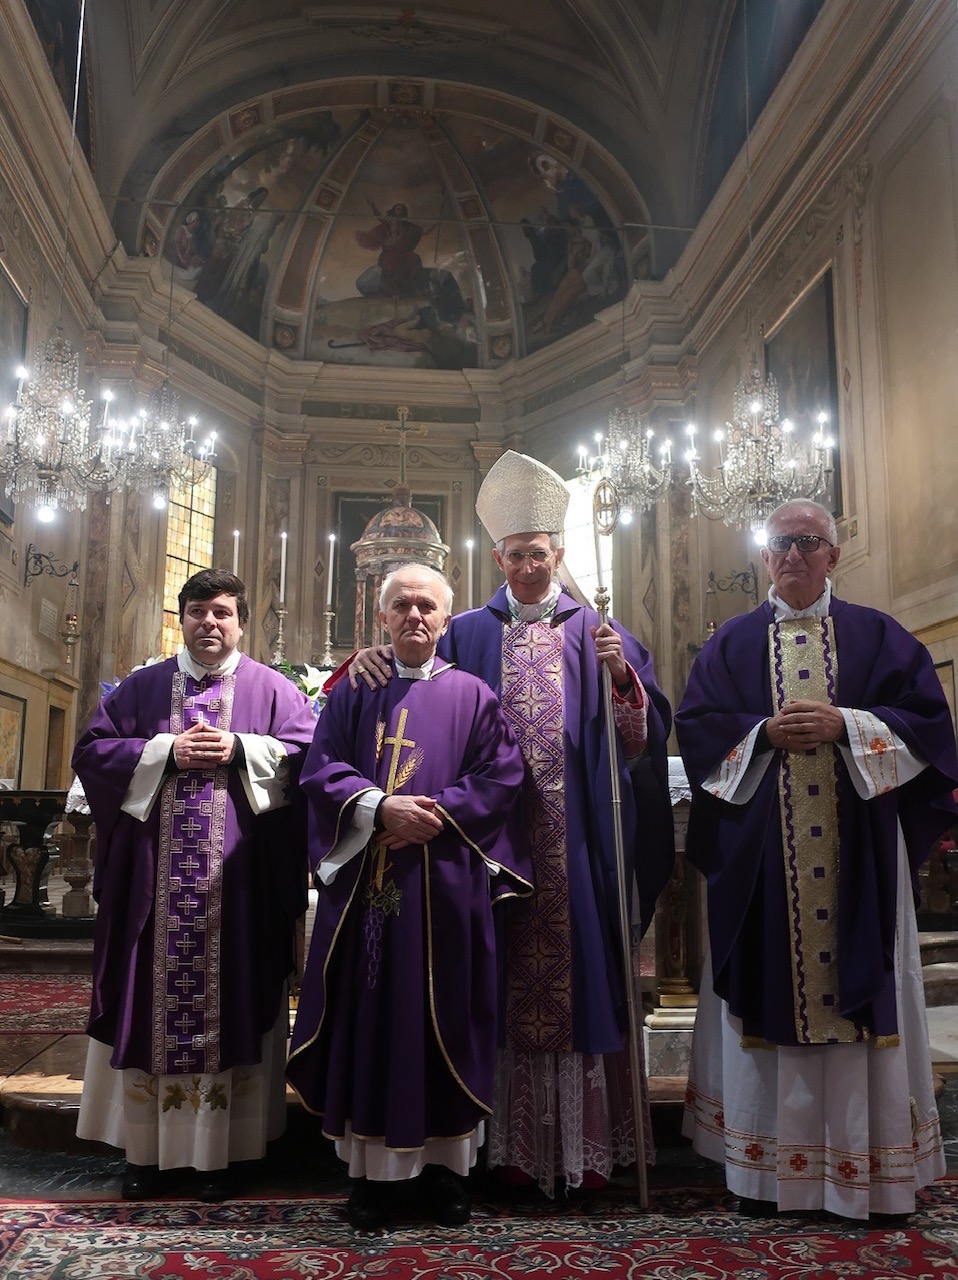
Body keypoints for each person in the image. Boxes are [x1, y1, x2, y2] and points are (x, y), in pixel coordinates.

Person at [346, 450, 675, 1197]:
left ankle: (584, 1153)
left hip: (577, 836)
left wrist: (623, 677)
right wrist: (371, 656)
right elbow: (411, 671)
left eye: (539, 554)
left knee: (579, 976)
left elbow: (639, 742)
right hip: (480, 841)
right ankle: (507, 1152)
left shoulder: (597, 631)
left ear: (557, 554)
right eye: (514, 555)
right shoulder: (463, 631)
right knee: (484, 981)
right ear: (495, 557)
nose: (527, 567)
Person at [676, 499, 958, 1220]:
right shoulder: (731, 644)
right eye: (780, 544)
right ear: (763, 558)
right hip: (764, 863)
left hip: (861, 854)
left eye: (809, 542)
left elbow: (930, 728)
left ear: (834, 554)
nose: (793, 555)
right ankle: (768, 1176)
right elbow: (701, 731)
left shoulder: (881, 636)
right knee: (769, 992)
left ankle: (876, 1172)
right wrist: (763, 733)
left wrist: (850, 725)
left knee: (866, 995)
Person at [287, 565, 533, 1231]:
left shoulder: (475, 697)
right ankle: (372, 1182)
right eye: (402, 606)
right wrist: (376, 806)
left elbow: (502, 776)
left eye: (427, 606)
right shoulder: (351, 693)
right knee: (370, 1017)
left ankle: (447, 1176)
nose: (415, 616)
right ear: (382, 616)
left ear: (447, 620)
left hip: (446, 889)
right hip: (368, 888)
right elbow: (319, 767)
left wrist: (436, 814)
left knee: (444, 1018)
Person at [72, 569, 316, 1203]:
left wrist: (239, 748)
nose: (211, 623)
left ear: (241, 623)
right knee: (148, 1002)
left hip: (237, 891)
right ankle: (146, 1153)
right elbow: (94, 753)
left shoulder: (272, 689)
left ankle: (221, 1155)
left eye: (224, 613)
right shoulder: (143, 686)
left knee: (235, 998)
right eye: (200, 611)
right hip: (155, 893)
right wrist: (161, 752)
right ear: (181, 617)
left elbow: (308, 757)